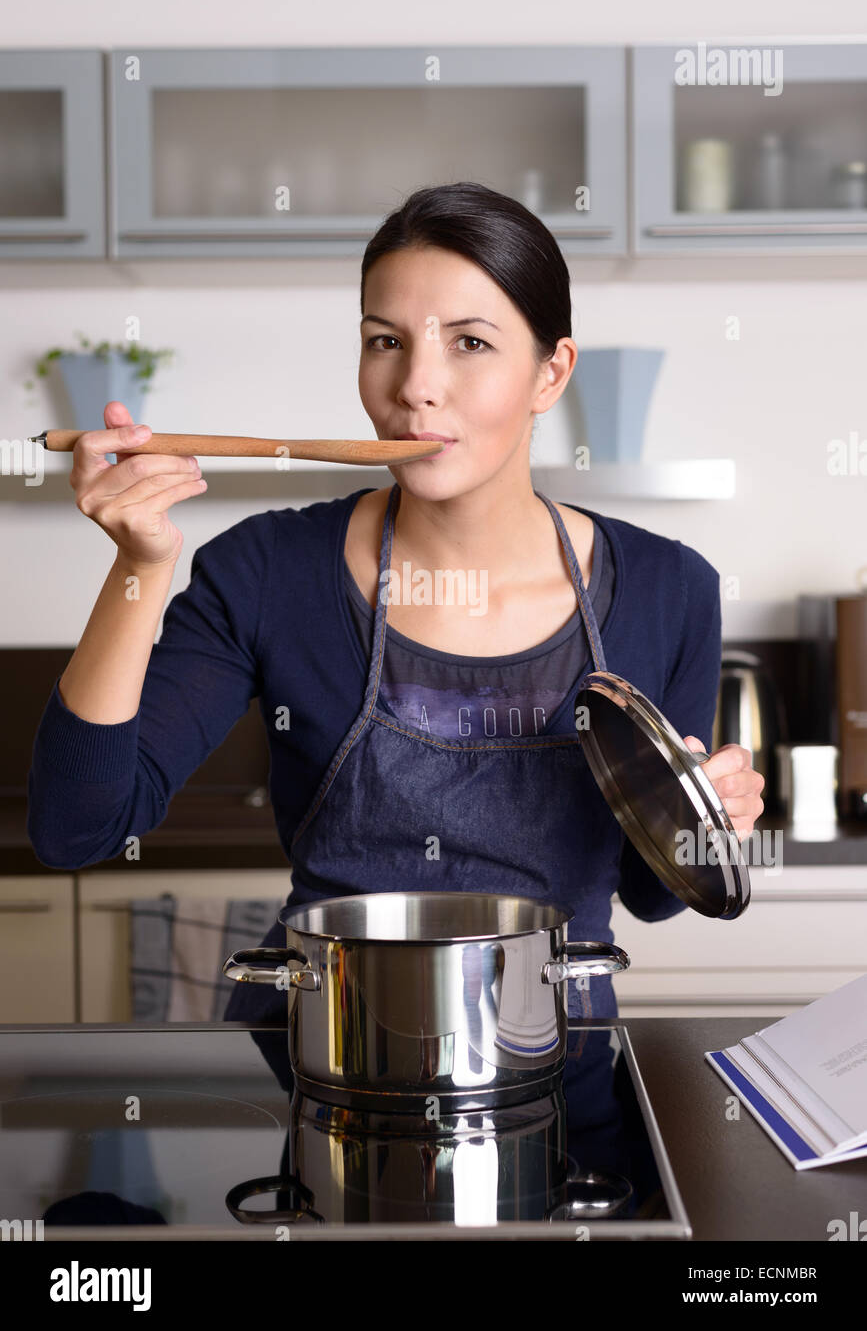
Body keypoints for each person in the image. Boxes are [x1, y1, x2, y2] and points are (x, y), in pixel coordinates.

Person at [27, 181, 764, 1026]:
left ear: (550, 372)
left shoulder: (670, 587)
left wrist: (702, 821)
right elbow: (75, 830)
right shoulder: (267, 569)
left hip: (551, 1066)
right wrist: (139, 566)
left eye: (470, 342)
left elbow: (651, 896)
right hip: (319, 1052)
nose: (416, 385)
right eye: (386, 340)